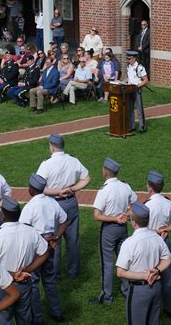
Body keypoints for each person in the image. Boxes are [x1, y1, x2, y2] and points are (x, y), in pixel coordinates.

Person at [0, 196, 50, 325]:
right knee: (24, 317)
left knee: (3, 319)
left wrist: (13, 274)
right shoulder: (30, 231)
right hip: (24, 281)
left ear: (2, 215)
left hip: (4, 286)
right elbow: (45, 253)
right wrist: (26, 270)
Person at [36, 134, 91, 279]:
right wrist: (73, 189)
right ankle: (74, 272)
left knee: (55, 239)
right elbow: (86, 178)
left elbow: (39, 187)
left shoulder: (46, 164)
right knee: (73, 240)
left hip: (54, 204)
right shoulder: (73, 160)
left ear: (52, 147)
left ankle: (55, 274)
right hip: (71, 202)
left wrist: (57, 191)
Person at [19, 174, 68, 324]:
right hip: (50, 245)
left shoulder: (30, 207)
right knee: (50, 280)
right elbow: (65, 221)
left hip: (36, 249)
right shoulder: (52, 202)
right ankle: (56, 312)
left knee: (33, 283)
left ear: (31, 190)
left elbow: (24, 230)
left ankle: (38, 318)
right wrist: (56, 237)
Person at [116, 201, 171, 325]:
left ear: (133, 222)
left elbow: (120, 272)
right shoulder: (157, 237)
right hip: (156, 287)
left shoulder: (129, 243)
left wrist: (145, 275)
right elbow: (167, 258)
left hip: (138, 291)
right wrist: (156, 271)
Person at [92, 158, 137, 305]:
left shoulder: (104, 191)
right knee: (123, 260)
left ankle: (107, 296)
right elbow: (135, 204)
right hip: (123, 228)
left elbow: (97, 216)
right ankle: (126, 291)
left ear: (105, 172)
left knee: (108, 262)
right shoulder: (125, 186)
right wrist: (126, 215)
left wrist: (114, 219)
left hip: (109, 230)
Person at [144, 170, 171, 317]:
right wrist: (167, 228)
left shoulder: (147, 205)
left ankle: (151, 308)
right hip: (164, 241)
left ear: (150, 187)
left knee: (149, 274)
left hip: (149, 242)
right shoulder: (168, 202)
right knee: (167, 275)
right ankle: (170, 308)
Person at [126, 50, 148, 133]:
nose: (128, 60)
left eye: (129, 58)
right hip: (129, 90)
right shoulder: (129, 67)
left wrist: (137, 86)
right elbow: (129, 78)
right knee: (130, 109)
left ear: (134, 58)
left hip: (136, 90)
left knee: (139, 109)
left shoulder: (140, 67)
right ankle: (132, 126)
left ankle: (142, 126)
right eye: (127, 59)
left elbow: (145, 80)